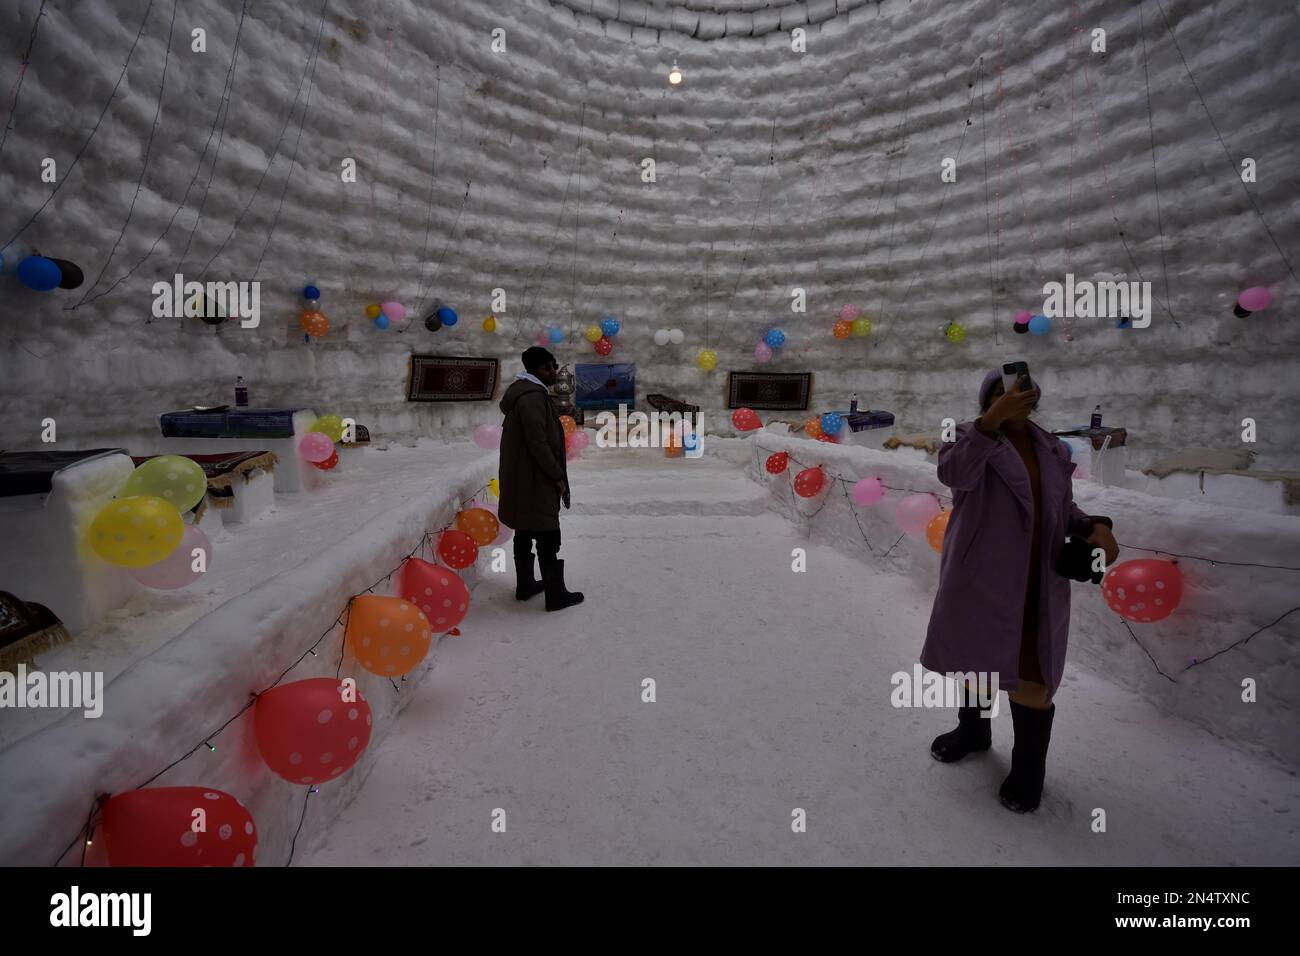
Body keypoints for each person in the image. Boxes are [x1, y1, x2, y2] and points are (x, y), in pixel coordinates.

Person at [921, 369, 1118, 812]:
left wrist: (1094, 526)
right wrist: (990, 424)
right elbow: (954, 474)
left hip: (1037, 579)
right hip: (981, 575)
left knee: (1032, 676)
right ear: (987, 401)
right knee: (977, 659)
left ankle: (1029, 769)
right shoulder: (968, 437)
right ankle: (972, 731)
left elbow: (1060, 506)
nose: (1013, 399)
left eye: (1022, 392)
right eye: (1000, 393)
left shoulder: (1049, 446)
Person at [497, 346, 584, 612]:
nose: (555, 371)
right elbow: (538, 444)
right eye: (550, 366)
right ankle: (555, 596)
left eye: (555, 365)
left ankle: (525, 586)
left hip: (523, 479)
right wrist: (557, 476)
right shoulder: (532, 398)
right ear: (536, 369)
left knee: (524, 530)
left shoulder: (524, 394)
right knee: (547, 535)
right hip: (536, 480)